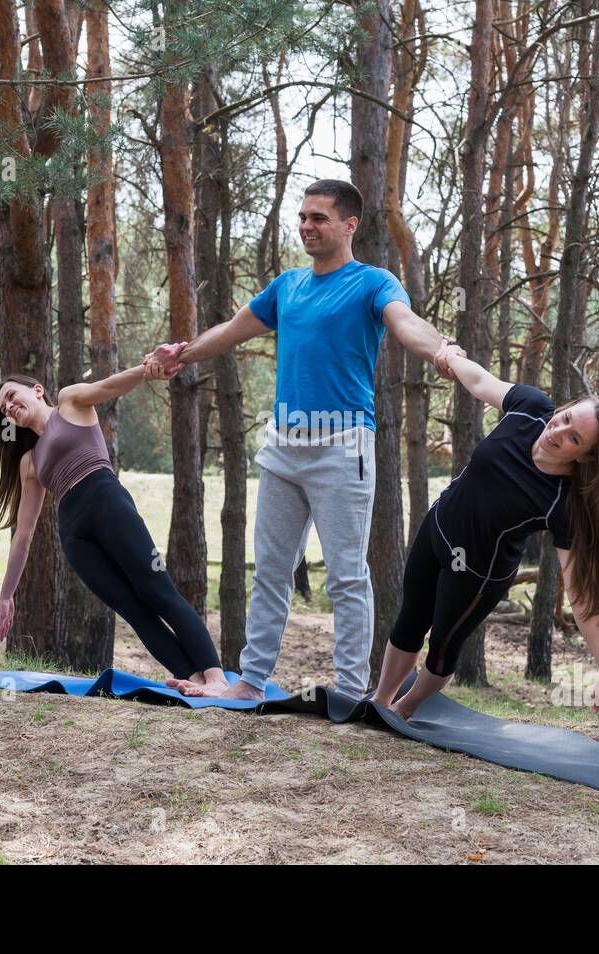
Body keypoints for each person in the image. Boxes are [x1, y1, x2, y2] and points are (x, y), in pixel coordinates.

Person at [145, 179, 466, 701]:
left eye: (318, 217)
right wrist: (180, 354)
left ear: (349, 225)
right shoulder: (287, 286)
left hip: (342, 449)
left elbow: (406, 324)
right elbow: (229, 331)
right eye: (302, 217)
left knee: (345, 577)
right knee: (270, 570)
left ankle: (349, 690)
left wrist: (443, 352)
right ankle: (249, 684)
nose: (307, 226)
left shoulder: (372, 283)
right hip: (282, 449)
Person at [371, 351, 599, 727]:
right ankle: (380, 700)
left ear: (586, 458)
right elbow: (480, 382)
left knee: (442, 649)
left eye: (573, 438)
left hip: (476, 574)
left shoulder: (562, 503)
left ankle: (404, 708)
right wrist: (447, 356)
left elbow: (578, 591)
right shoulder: (530, 407)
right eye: (565, 418)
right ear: (565, 407)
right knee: (409, 621)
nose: (557, 431)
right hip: (438, 528)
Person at [0, 366, 229, 694]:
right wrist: (6, 594)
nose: (9, 407)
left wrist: (148, 369)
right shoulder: (29, 461)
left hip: (107, 502)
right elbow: (24, 534)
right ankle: (194, 678)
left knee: (157, 591)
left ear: (38, 390)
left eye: (12, 396)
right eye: (4, 409)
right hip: (74, 534)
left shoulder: (71, 402)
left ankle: (216, 679)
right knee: (133, 610)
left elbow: (111, 386)